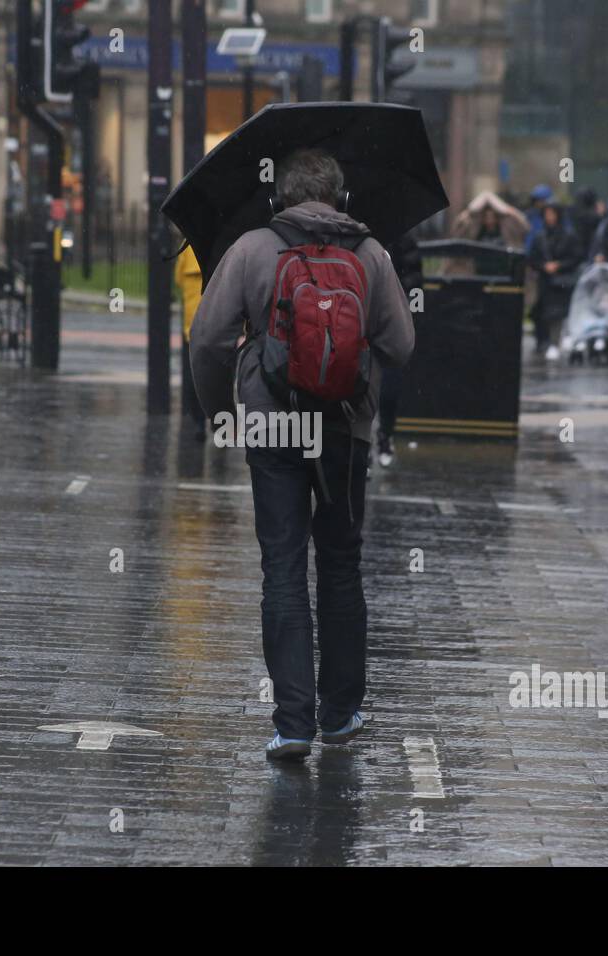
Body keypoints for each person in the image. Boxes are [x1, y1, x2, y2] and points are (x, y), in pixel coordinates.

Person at [189, 148, 415, 761]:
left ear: (277, 198)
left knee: (283, 568)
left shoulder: (252, 249)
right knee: (340, 565)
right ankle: (340, 714)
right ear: (341, 199)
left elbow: (207, 338)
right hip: (345, 430)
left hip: (271, 427)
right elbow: (402, 343)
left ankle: (293, 724)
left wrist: (221, 412)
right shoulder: (370, 254)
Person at [375, 230, 424, 468]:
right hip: (361, 321)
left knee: (389, 389)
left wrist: (412, 314)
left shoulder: (403, 240)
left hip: (392, 322)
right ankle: (364, 450)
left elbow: (416, 283)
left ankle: (385, 434)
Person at [527, 201, 582, 360]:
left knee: (557, 314)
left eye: (552, 214)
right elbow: (532, 258)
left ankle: (554, 342)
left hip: (561, 282)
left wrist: (559, 266)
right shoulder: (540, 236)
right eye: (547, 214)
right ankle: (543, 342)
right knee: (542, 312)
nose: (549, 217)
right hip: (544, 281)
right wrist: (543, 266)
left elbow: (576, 257)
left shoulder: (568, 235)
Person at [173, 244, 206, 440]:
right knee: (223, 375)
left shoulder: (187, 247)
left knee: (193, 376)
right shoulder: (224, 246)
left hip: (191, 326)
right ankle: (221, 421)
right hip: (220, 325)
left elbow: (178, 279)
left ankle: (198, 420)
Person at [571, 187, 603, 261]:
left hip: (584, 249)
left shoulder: (574, 211)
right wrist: (600, 214)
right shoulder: (590, 215)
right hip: (584, 248)